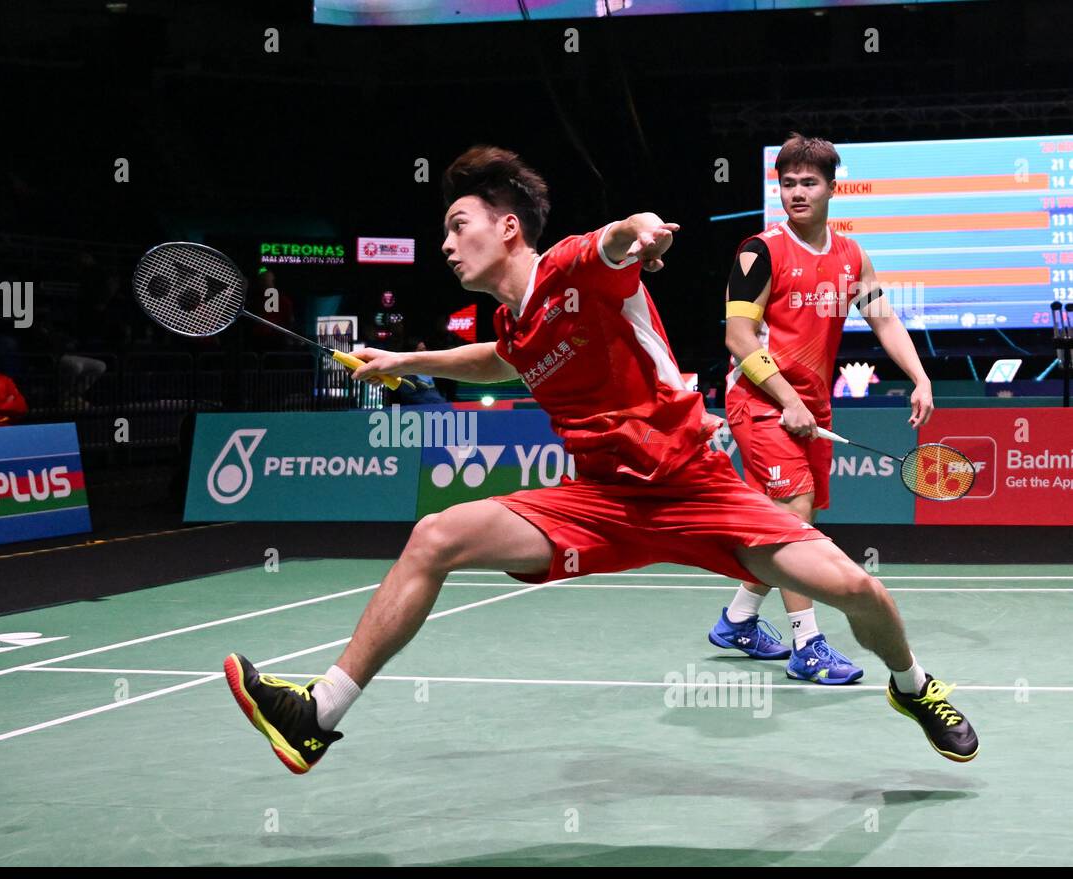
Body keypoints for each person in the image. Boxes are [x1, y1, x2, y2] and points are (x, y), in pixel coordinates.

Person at [222, 145, 978, 774]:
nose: (446, 244)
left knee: (859, 592)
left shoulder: (575, 267)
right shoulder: (513, 320)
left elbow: (619, 238)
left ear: (509, 228)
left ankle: (911, 686)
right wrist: (402, 360)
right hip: (599, 502)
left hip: (695, 488)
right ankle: (319, 714)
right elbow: (503, 359)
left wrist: (644, 232)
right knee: (435, 537)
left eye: (459, 225)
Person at [709, 133, 937, 684]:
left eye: (809, 183)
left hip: (813, 407)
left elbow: (883, 318)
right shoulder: (759, 251)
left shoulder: (850, 256)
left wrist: (919, 375)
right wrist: (786, 400)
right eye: (787, 184)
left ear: (833, 189)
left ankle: (737, 620)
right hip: (760, 400)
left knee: (787, 521)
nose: (797, 193)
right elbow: (740, 338)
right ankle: (807, 645)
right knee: (796, 511)